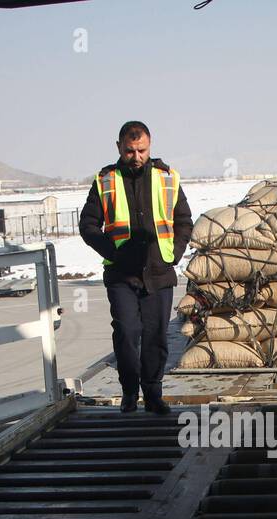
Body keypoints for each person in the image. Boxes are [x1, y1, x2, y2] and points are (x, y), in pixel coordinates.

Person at [79, 121, 193, 414]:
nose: (136, 156)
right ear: (119, 147)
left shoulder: (167, 177)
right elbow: (88, 225)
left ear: (149, 146)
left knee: (155, 337)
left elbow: (184, 221)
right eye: (130, 151)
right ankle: (130, 391)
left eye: (141, 150)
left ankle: (153, 394)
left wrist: (174, 255)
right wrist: (112, 252)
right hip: (122, 275)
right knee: (127, 333)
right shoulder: (105, 180)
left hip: (158, 272)